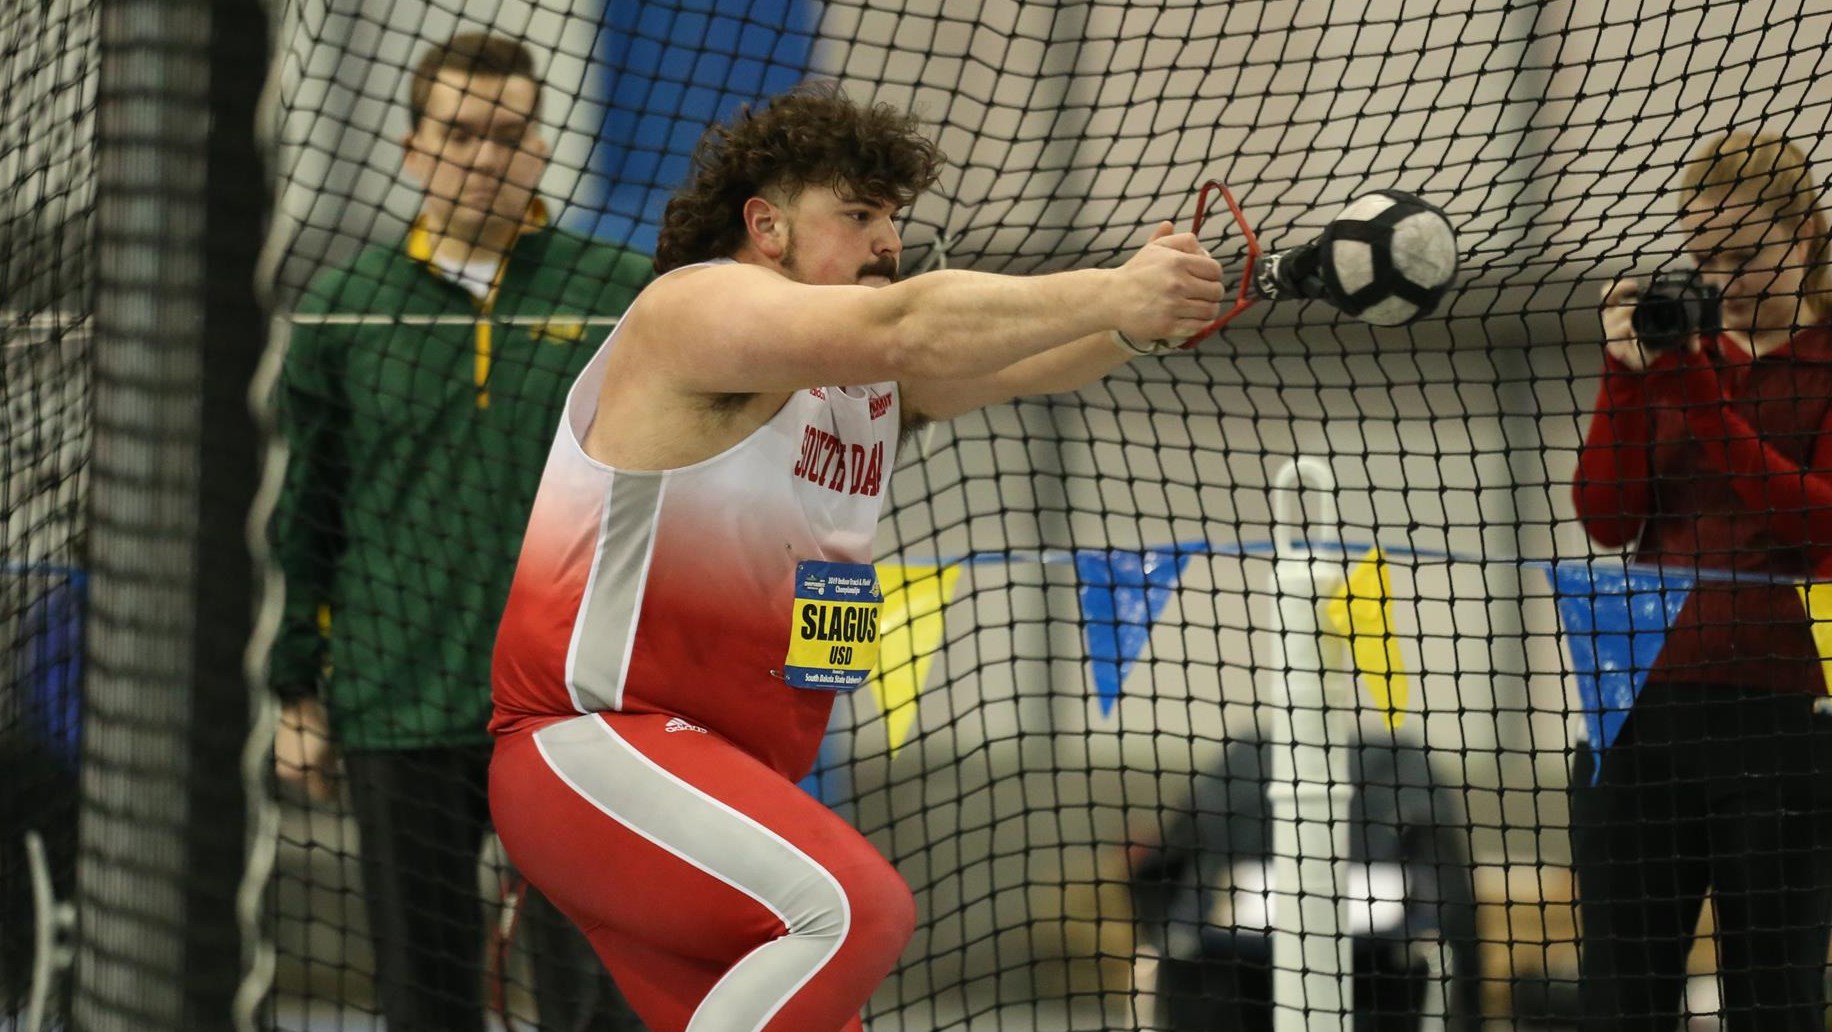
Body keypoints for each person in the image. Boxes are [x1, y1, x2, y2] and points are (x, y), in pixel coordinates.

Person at [486, 81, 1224, 1031]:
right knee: (850, 911)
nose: (889, 239)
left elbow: (1014, 359)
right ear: (767, 226)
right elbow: (911, 321)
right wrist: (1114, 287)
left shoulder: (862, 382)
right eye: (859, 213)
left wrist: (1133, 322)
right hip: (596, 748)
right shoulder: (697, 308)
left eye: (894, 217)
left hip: (717, 777)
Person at [268, 31, 648, 1032]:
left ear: (539, 145)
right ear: (411, 147)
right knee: (423, 1003)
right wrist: (296, 693)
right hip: (397, 708)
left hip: (577, 713)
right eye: (463, 132)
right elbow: (306, 513)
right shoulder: (345, 310)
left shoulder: (619, 294)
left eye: (511, 133)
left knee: (598, 1002)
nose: (487, 155)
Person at [1570, 129, 1832, 1031]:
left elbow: (1814, 524)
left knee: (1775, 999)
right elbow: (1608, 516)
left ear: (1805, 234)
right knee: (1621, 1003)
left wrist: (1699, 398)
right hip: (1635, 712)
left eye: (1743, 252)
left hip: (1784, 725)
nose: (1719, 277)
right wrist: (1624, 376)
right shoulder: (1683, 358)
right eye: (1702, 253)